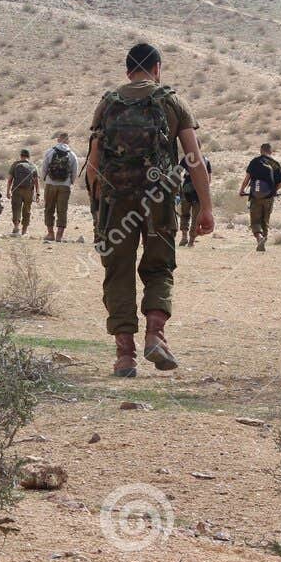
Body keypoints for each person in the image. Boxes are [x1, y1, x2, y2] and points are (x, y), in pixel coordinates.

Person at [87, 42, 212, 378]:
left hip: (116, 204)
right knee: (159, 268)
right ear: (157, 67)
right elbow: (194, 159)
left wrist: (98, 209)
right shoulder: (171, 102)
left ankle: (124, 356)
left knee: (118, 273)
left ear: (128, 70)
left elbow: (93, 165)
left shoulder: (108, 103)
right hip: (159, 202)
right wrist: (206, 208)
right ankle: (155, 335)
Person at [241, 143, 281, 251]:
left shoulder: (255, 161)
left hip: (255, 196)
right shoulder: (275, 164)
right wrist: (273, 191)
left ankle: (259, 237)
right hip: (268, 197)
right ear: (271, 151)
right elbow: (280, 182)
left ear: (261, 150)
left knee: (255, 221)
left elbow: (247, 178)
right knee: (265, 221)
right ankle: (263, 241)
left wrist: (242, 190)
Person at [40, 132, 77, 242]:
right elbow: (74, 172)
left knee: (49, 209)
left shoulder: (49, 152)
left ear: (58, 140)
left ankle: (50, 234)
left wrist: (45, 179)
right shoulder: (72, 155)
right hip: (65, 186)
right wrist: (71, 182)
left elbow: (44, 168)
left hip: (50, 184)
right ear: (68, 141)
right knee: (62, 210)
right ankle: (59, 236)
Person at [176, 153, 210, 247]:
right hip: (199, 191)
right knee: (196, 217)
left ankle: (184, 237)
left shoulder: (186, 159)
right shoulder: (205, 160)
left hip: (186, 189)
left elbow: (178, 172)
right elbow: (208, 178)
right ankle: (191, 242)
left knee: (185, 214)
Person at [7, 150, 39, 236]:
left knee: (16, 208)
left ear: (21, 156)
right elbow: (36, 181)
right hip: (29, 191)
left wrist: (8, 191)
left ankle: (16, 226)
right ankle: (24, 230)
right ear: (29, 156)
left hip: (17, 190)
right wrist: (38, 193)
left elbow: (10, 180)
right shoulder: (33, 166)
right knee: (27, 210)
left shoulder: (15, 165)